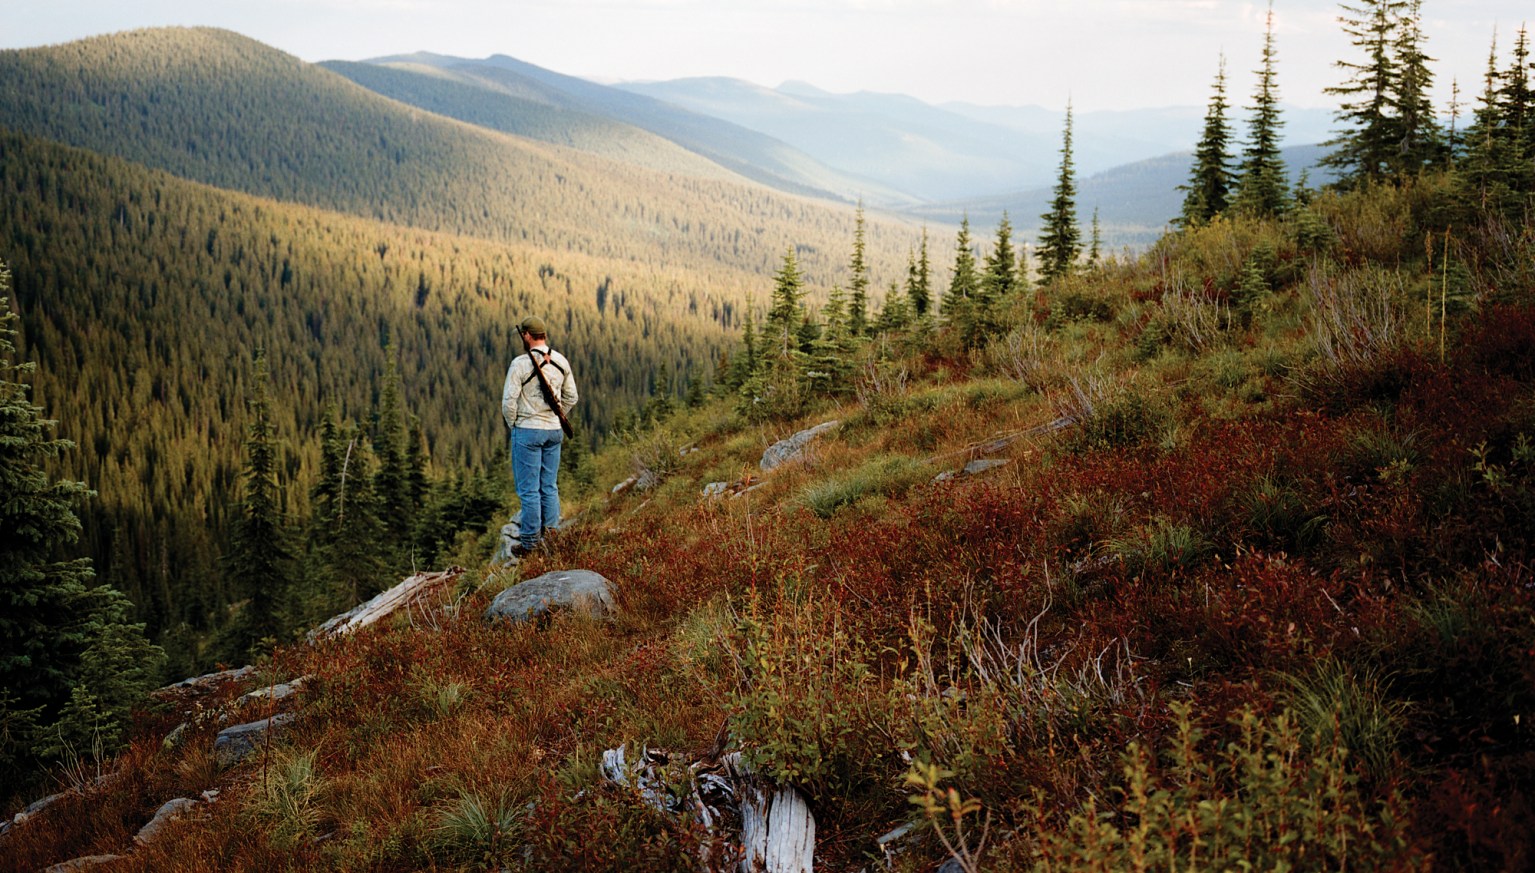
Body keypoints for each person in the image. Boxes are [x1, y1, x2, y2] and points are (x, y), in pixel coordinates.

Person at [502, 316, 578, 557]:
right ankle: (552, 536)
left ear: (526, 335)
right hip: (554, 431)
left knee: (529, 490)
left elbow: (508, 402)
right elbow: (572, 397)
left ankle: (530, 543)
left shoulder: (520, 364)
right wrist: (557, 416)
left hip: (527, 431)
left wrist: (515, 424)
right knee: (549, 486)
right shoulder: (560, 361)